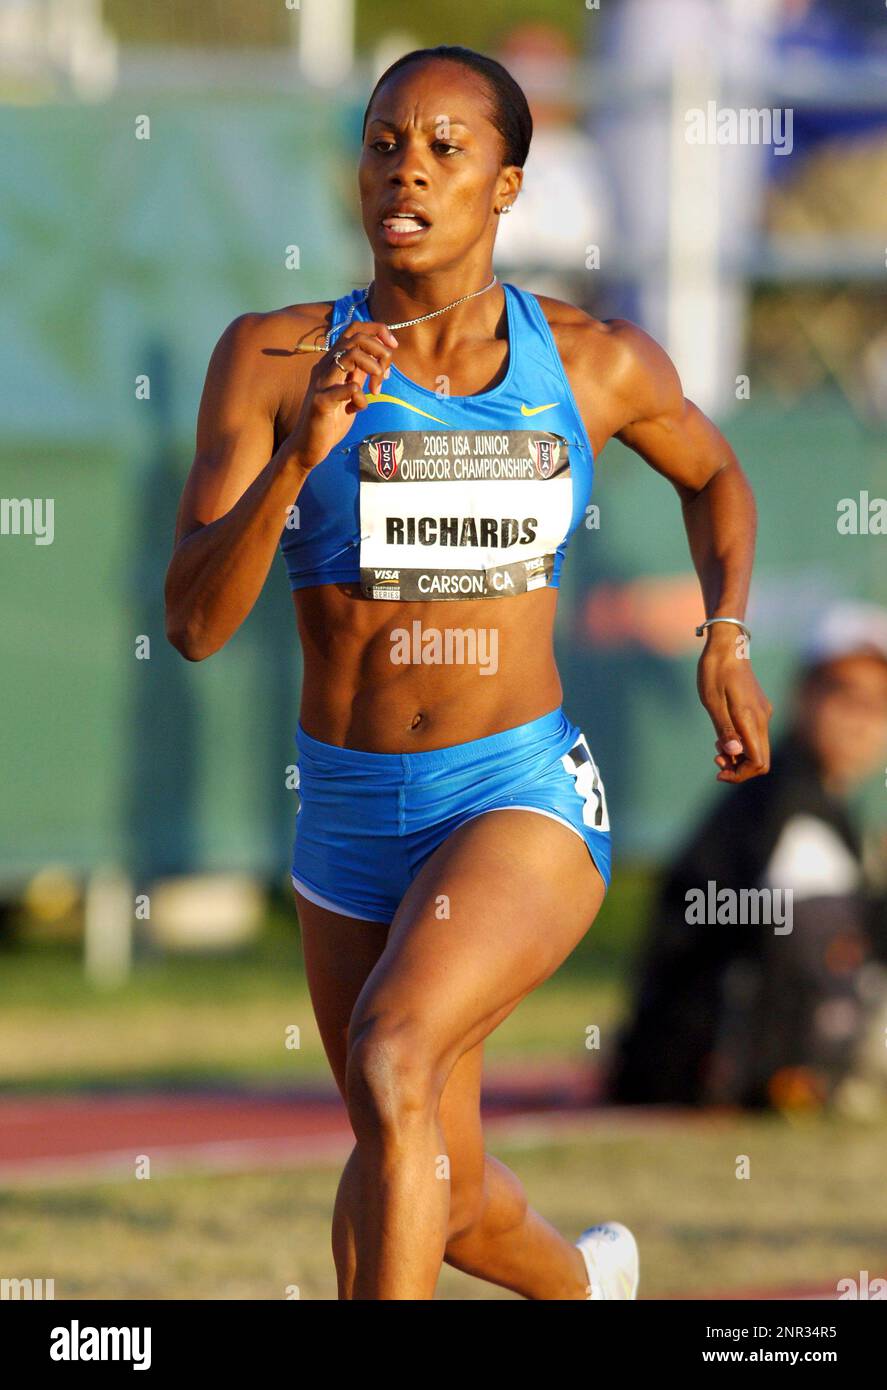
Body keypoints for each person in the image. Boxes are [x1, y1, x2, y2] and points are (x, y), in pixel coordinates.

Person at [164, 44, 772, 1301]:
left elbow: (713, 475)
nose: (409, 169)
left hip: (515, 794)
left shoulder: (593, 362)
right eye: (386, 140)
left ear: (506, 185)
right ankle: (586, 1287)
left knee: (393, 1061)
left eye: (448, 148)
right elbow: (190, 623)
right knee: (433, 1179)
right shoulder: (274, 359)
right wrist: (297, 463)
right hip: (344, 810)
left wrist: (724, 634)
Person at [608, 602, 887, 1112]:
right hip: (699, 1072)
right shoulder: (786, 804)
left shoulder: (821, 801)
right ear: (805, 694)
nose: (862, 721)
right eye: (844, 695)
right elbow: (816, 946)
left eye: (880, 705)